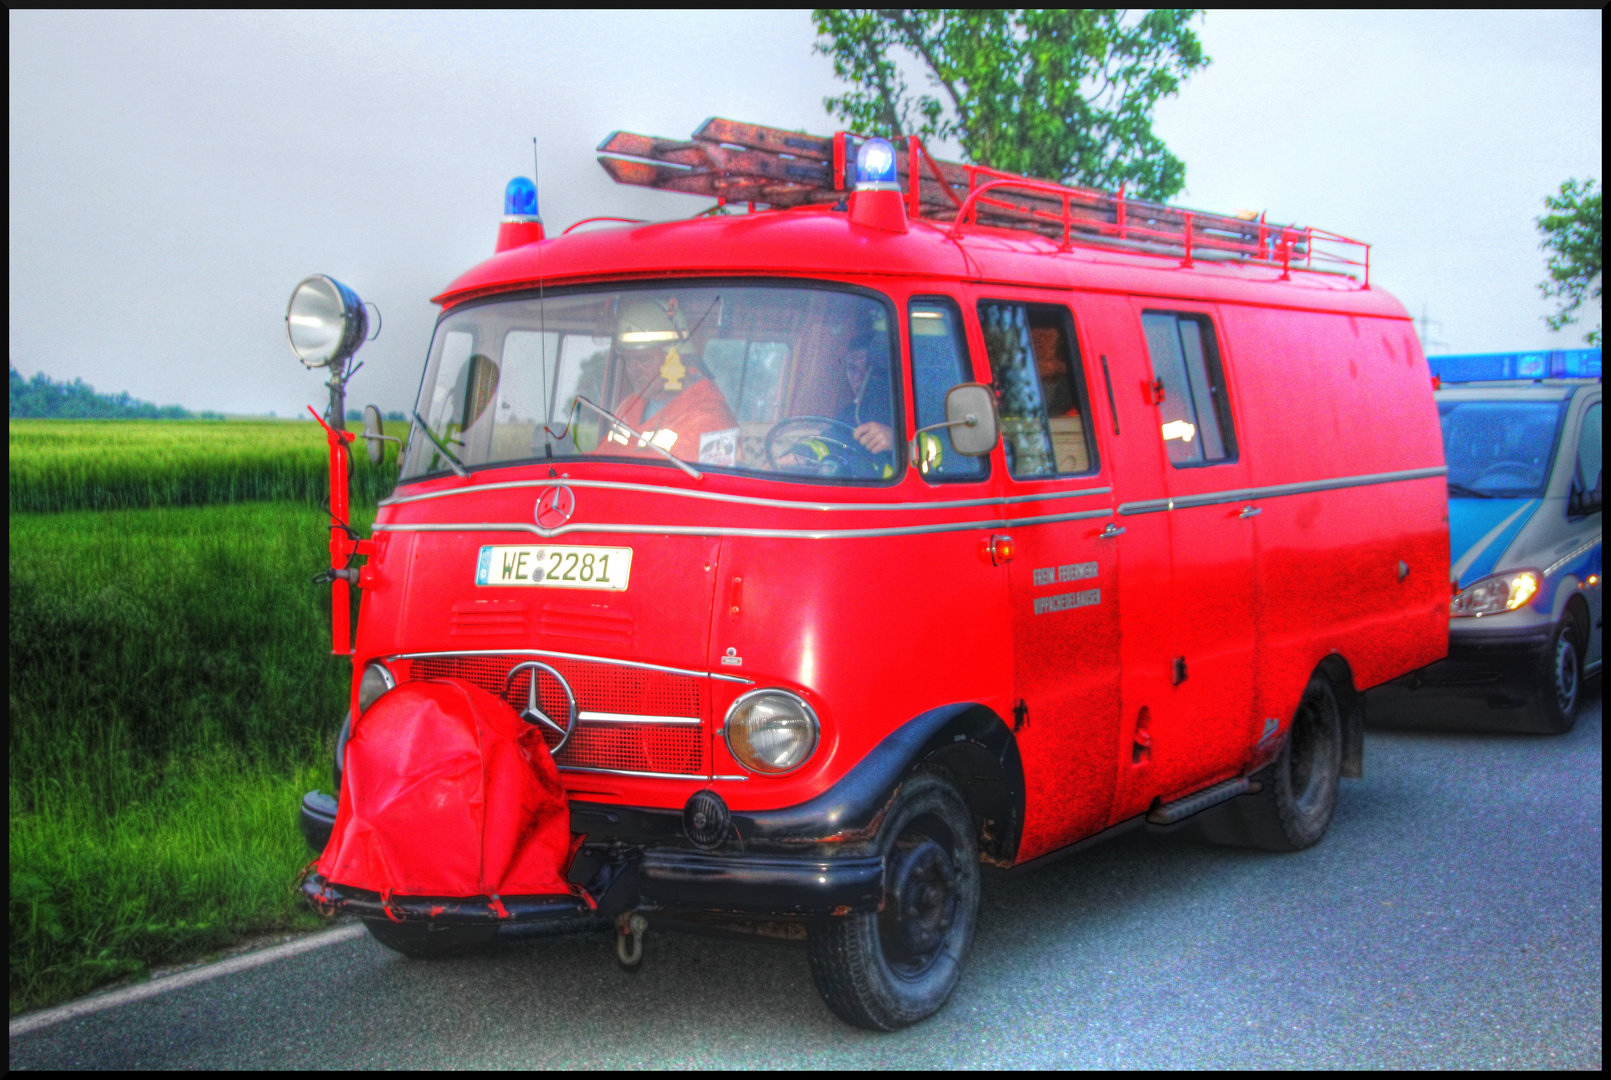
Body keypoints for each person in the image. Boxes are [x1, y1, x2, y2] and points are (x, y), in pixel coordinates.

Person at [599, 296, 737, 464]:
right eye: (628, 360)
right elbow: (601, 459)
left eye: (644, 360)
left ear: (676, 357)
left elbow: (704, 484)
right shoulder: (629, 407)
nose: (633, 370)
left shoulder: (712, 421)